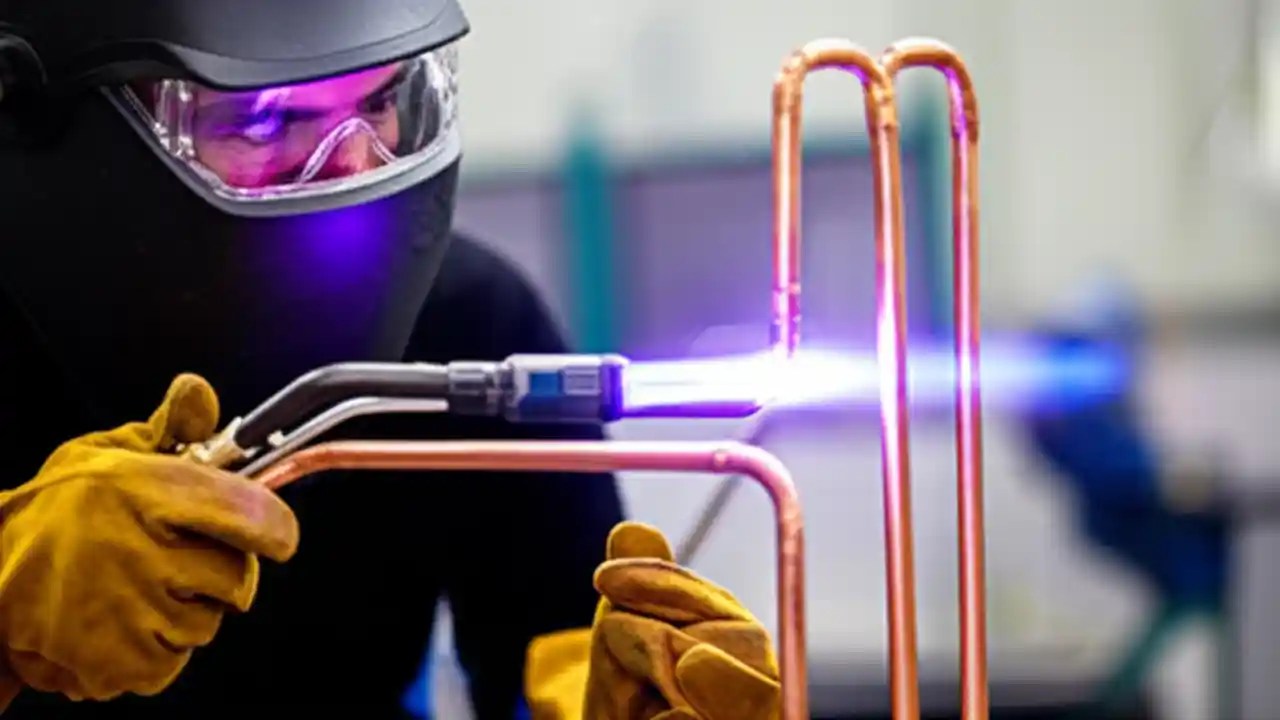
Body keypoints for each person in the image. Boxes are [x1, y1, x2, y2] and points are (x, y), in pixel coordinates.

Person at [0, 1, 633, 716]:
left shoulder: (467, 319)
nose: (356, 169)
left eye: (381, 101)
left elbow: (560, 645)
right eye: (266, 122)